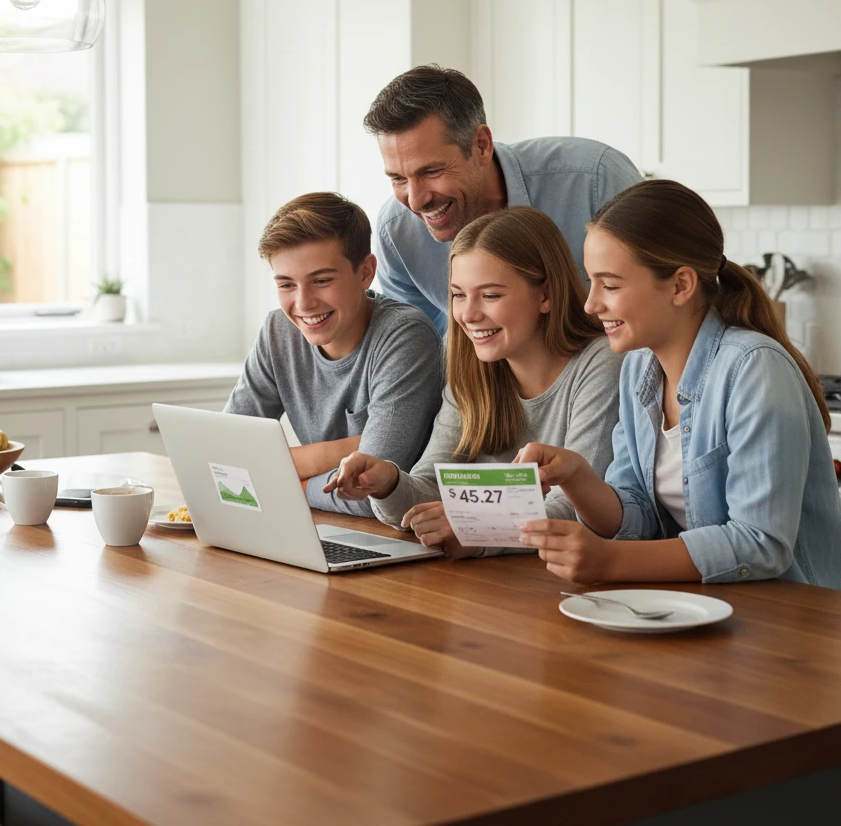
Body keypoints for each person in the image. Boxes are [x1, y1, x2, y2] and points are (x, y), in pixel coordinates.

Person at [517, 179, 841, 589]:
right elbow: (639, 515)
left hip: (792, 623)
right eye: (592, 282)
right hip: (704, 611)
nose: (590, 304)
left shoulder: (754, 368)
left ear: (681, 285)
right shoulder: (638, 367)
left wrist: (611, 561)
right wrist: (577, 477)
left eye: (611, 285)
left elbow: (761, 543)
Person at [327, 206, 623, 556]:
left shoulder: (602, 362)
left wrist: (477, 530)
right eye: (458, 294)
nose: (468, 314)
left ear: (545, 295)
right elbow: (429, 490)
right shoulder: (469, 357)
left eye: (491, 295)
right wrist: (387, 482)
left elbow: (576, 510)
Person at [365, 65, 641, 334]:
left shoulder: (595, 178)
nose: (414, 201)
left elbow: (662, 305)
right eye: (398, 178)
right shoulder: (397, 233)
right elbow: (419, 351)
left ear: (482, 145)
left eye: (432, 171)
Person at [224, 192, 443, 518]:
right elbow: (226, 457)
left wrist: (277, 481)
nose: (304, 304)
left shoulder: (404, 335)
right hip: (323, 523)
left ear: (366, 272)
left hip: (401, 535)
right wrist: (348, 448)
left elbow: (370, 491)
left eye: (322, 280)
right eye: (286, 285)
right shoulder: (277, 331)